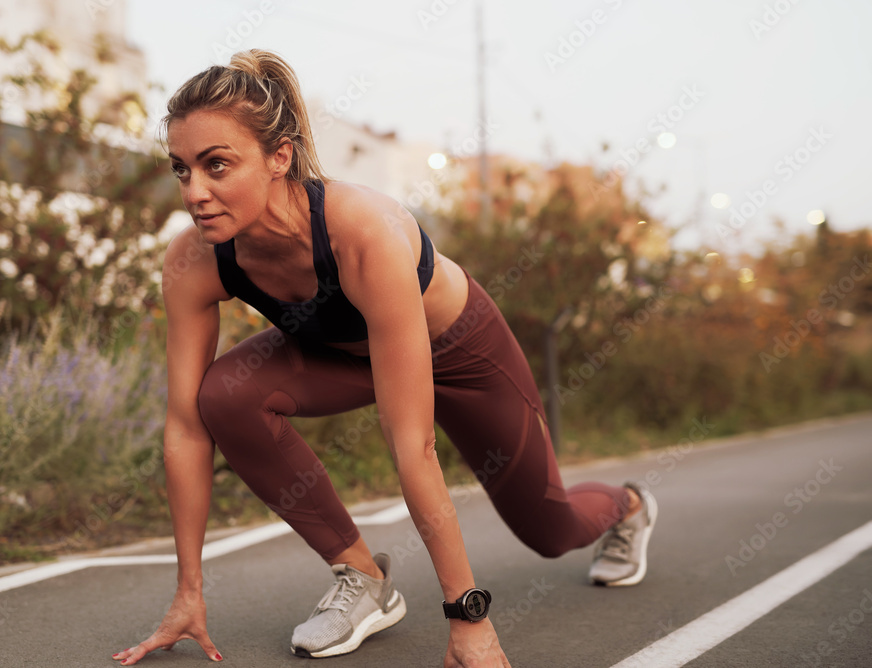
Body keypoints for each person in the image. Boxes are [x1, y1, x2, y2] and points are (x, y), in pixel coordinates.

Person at [111, 49, 658, 668]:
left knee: (551, 529)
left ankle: (630, 505)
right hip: (341, 355)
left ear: (279, 156)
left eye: (217, 166)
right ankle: (362, 577)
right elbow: (185, 426)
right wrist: (188, 591)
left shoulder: (360, 231)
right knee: (222, 396)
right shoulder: (195, 259)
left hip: (460, 351)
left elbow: (413, 447)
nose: (196, 192)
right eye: (181, 169)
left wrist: (467, 620)